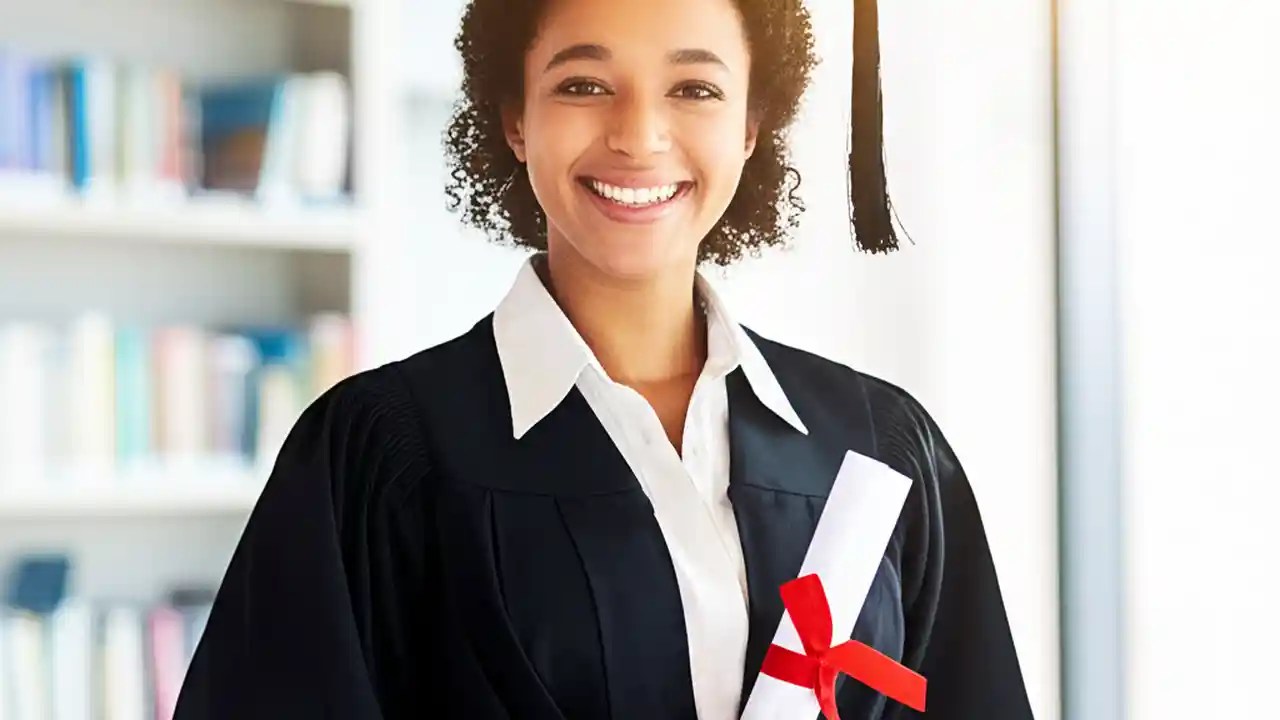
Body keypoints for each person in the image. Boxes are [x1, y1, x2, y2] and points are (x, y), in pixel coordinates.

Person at [173, 0, 1034, 717]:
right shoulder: (377, 458)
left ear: (751, 127)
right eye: (583, 84)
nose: (639, 135)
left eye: (694, 87)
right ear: (515, 117)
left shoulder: (876, 447)